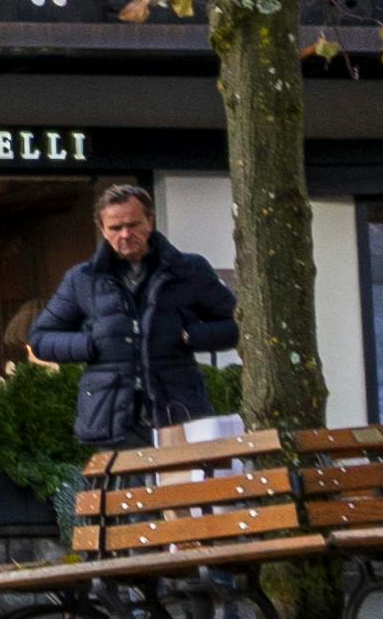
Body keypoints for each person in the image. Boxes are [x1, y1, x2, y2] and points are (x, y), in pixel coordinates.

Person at [27, 180, 241, 452]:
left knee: (179, 480)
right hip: (111, 419)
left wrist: (192, 336)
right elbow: (41, 339)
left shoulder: (188, 270)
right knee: (123, 482)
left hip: (178, 412)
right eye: (116, 228)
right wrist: (88, 344)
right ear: (103, 230)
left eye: (133, 225)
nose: (125, 234)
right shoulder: (83, 279)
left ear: (150, 221)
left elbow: (237, 325)